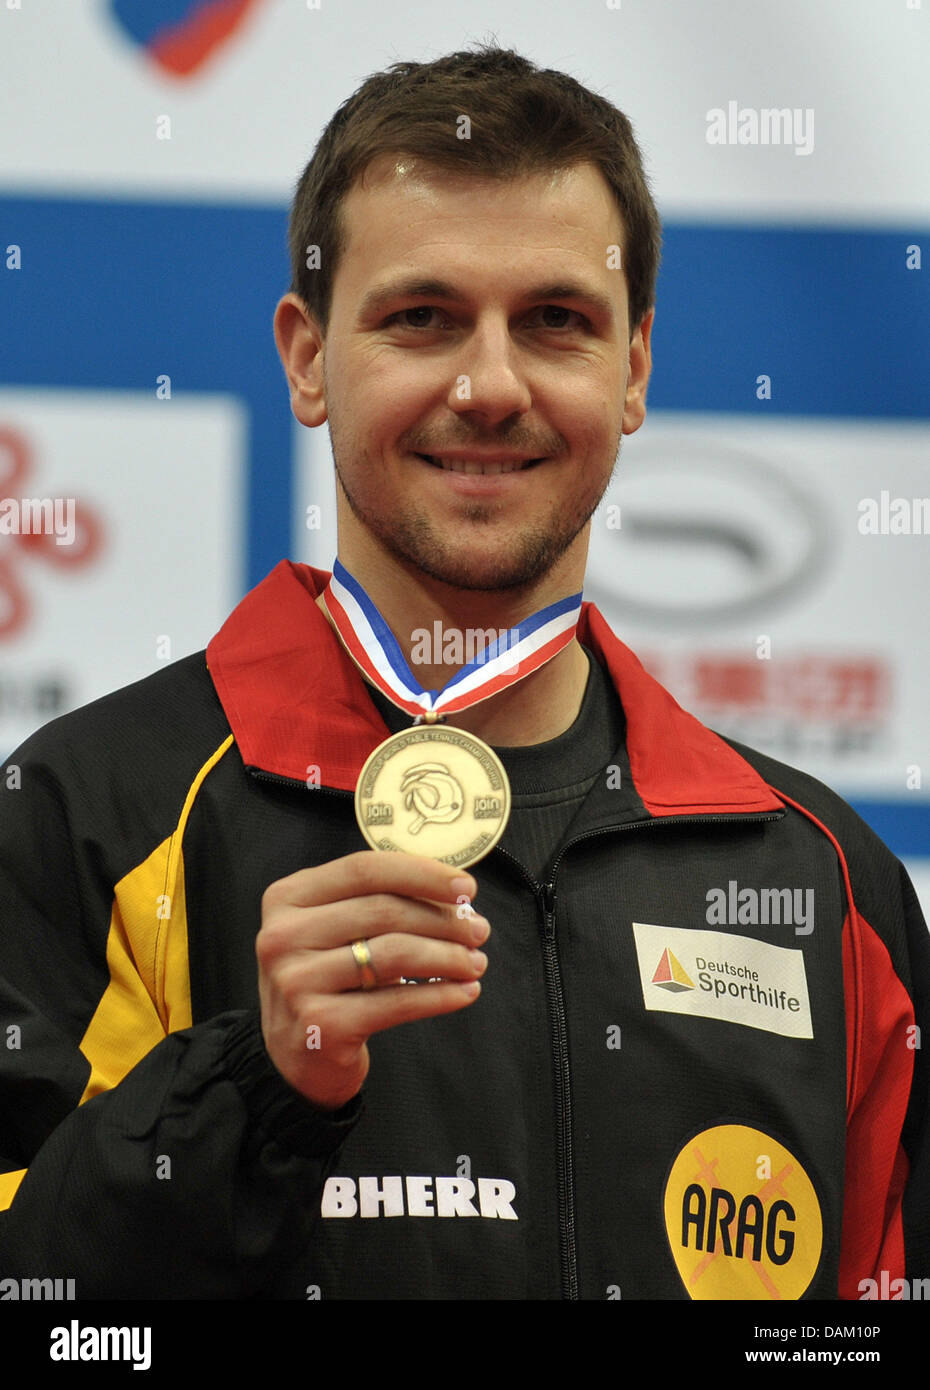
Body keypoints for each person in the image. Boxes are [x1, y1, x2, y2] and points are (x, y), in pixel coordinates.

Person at [0, 43, 926, 1302]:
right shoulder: (79, 817)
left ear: (635, 366)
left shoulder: (820, 877)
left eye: (555, 321)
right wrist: (257, 1088)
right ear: (309, 357)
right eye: (422, 317)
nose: (490, 387)